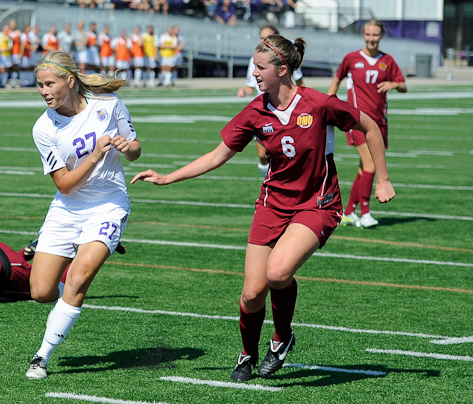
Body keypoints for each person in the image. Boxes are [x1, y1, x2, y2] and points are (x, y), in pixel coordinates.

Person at [130, 34, 395, 382]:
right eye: (253, 66)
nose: (253, 73)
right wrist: (168, 178)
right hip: (272, 205)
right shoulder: (255, 111)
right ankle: (247, 353)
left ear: (283, 69)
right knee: (252, 293)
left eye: (259, 67)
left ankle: (281, 338)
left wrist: (383, 179)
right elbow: (216, 156)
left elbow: (369, 126)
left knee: (278, 273)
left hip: (317, 204)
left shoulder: (318, 103)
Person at [24, 50, 142, 380]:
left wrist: (125, 146)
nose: (44, 91)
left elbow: (135, 150)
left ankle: (41, 357)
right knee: (41, 292)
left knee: (77, 279)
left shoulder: (108, 103)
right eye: (40, 85)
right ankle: (69, 300)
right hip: (68, 208)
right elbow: (64, 186)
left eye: (50, 84)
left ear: (70, 81)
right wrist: (94, 156)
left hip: (108, 205)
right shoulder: (43, 128)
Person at [326, 19, 406, 229]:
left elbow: (404, 86)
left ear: (381, 36)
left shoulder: (387, 60)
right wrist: (327, 106)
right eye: (368, 35)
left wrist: (394, 84)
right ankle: (366, 213)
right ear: (363, 35)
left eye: (375, 35)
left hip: (379, 123)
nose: (371, 39)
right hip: (357, 122)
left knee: (364, 169)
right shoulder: (351, 58)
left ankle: (349, 213)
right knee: (371, 165)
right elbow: (336, 81)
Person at [237, 25, 305, 178]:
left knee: (287, 154)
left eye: (267, 38)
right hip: (265, 112)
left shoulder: (288, 59)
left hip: (287, 112)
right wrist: (244, 92)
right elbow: (250, 86)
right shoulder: (254, 60)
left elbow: (301, 85)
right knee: (263, 155)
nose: (263, 41)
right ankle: (268, 181)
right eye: (261, 38)